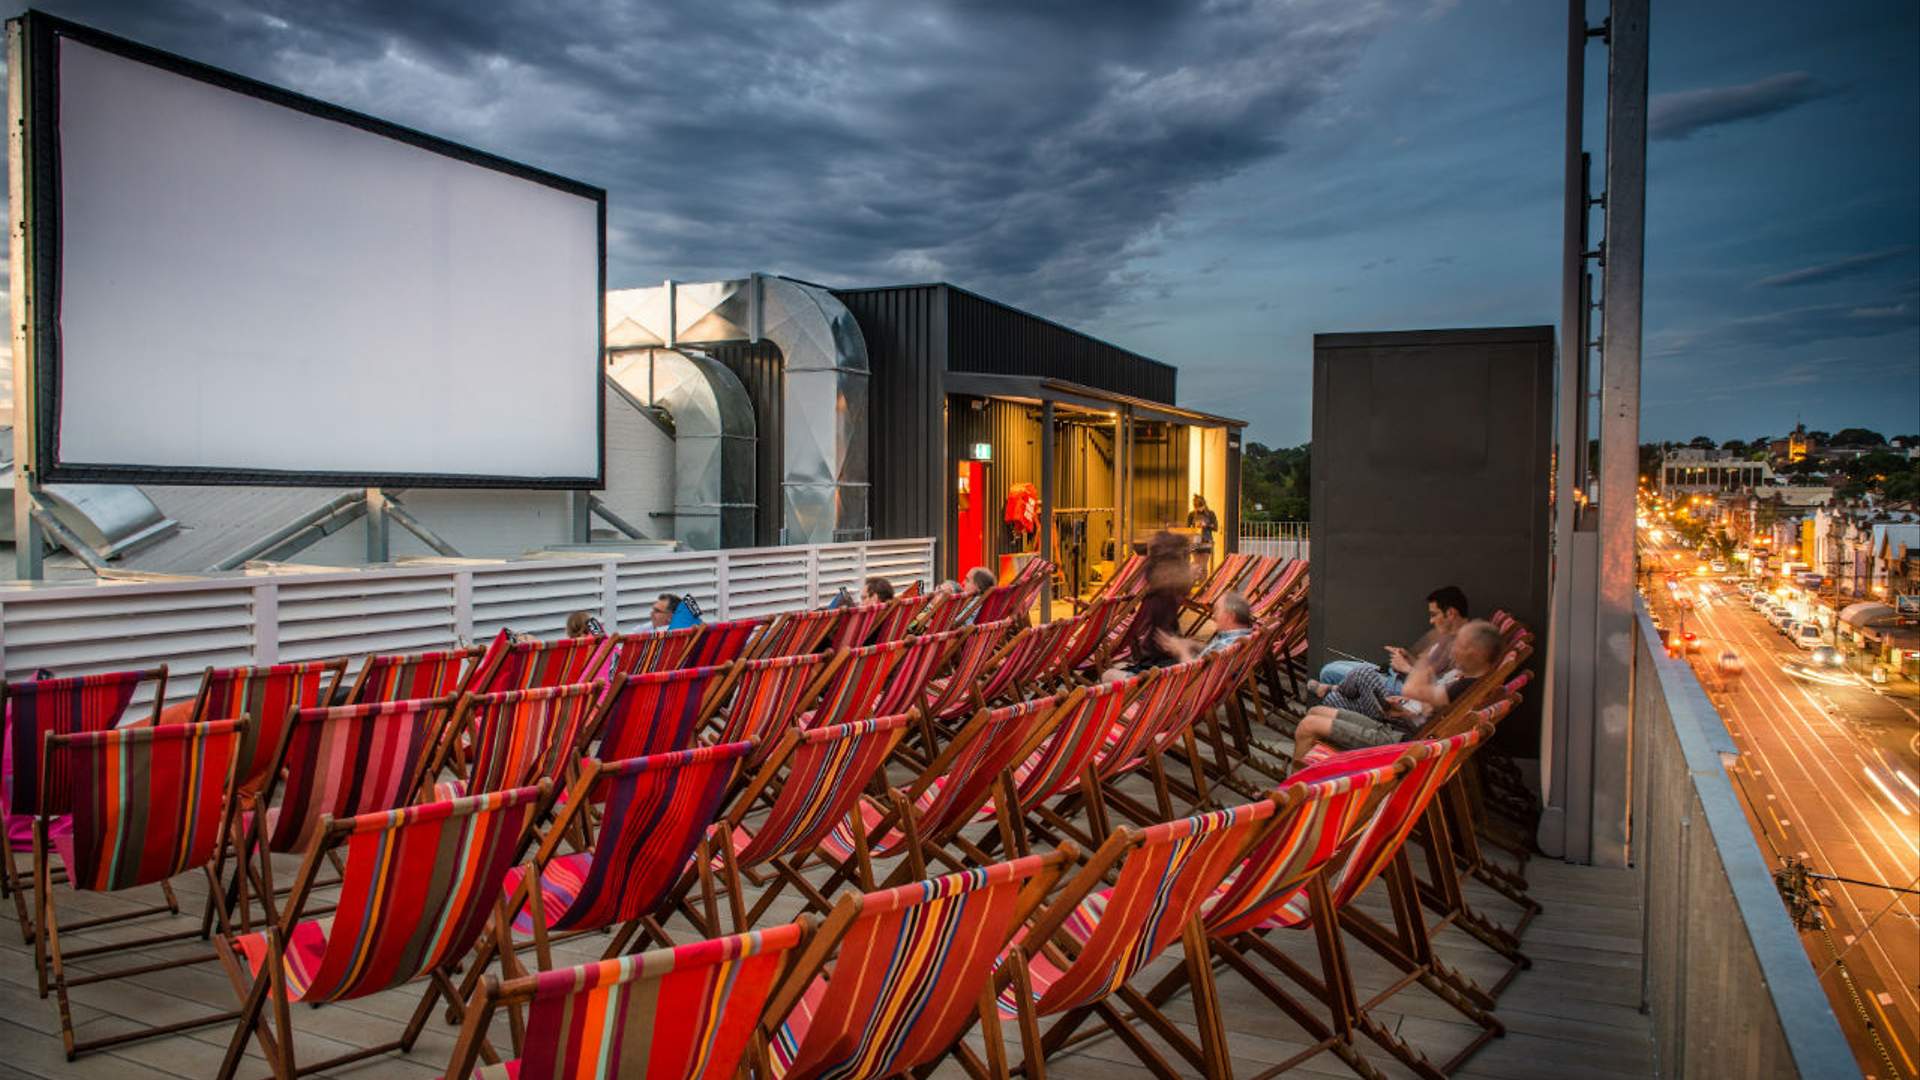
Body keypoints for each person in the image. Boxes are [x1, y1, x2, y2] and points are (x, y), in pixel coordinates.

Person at [1292, 619, 1504, 760]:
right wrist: (1405, 709)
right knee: (1315, 712)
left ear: (1473, 652)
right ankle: (1316, 776)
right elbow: (1429, 711)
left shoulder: (1463, 688)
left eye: (1459, 644)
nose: (1453, 648)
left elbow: (1412, 689)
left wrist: (1426, 655)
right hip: (1402, 725)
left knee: (1307, 726)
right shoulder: (1468, 681)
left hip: (1400, 742)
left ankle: (1290, 801)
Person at [1311, 586, 1469, 699]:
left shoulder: (1464, 646)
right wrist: (1407, 658)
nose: (1431, 620)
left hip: (1406, 690)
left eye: (1434, 615)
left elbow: (1443, 687)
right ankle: (1337, 699)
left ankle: (1336, 707)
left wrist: (1406, 668)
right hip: (1398, 678)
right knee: (1333, 667)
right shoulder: (1446, 636)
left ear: (1450, 613)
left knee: (1329, 672)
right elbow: (1429, 671)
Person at [1102, 530, 1197, 681]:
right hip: (1165, 665)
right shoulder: (1170, 594)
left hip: (1156, 674)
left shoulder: (1157, 598)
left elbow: (1152, 645)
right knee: (1116, 669)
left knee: (1108, 675)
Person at [1153, 591, 1254, 663]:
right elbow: (1214, 652)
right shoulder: (1243, 636)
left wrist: (1181, 651)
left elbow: (1194, 676)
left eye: (1217, 610)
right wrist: (1193, 644)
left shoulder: (1226, 646)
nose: (1213, 616)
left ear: (1230, 616)